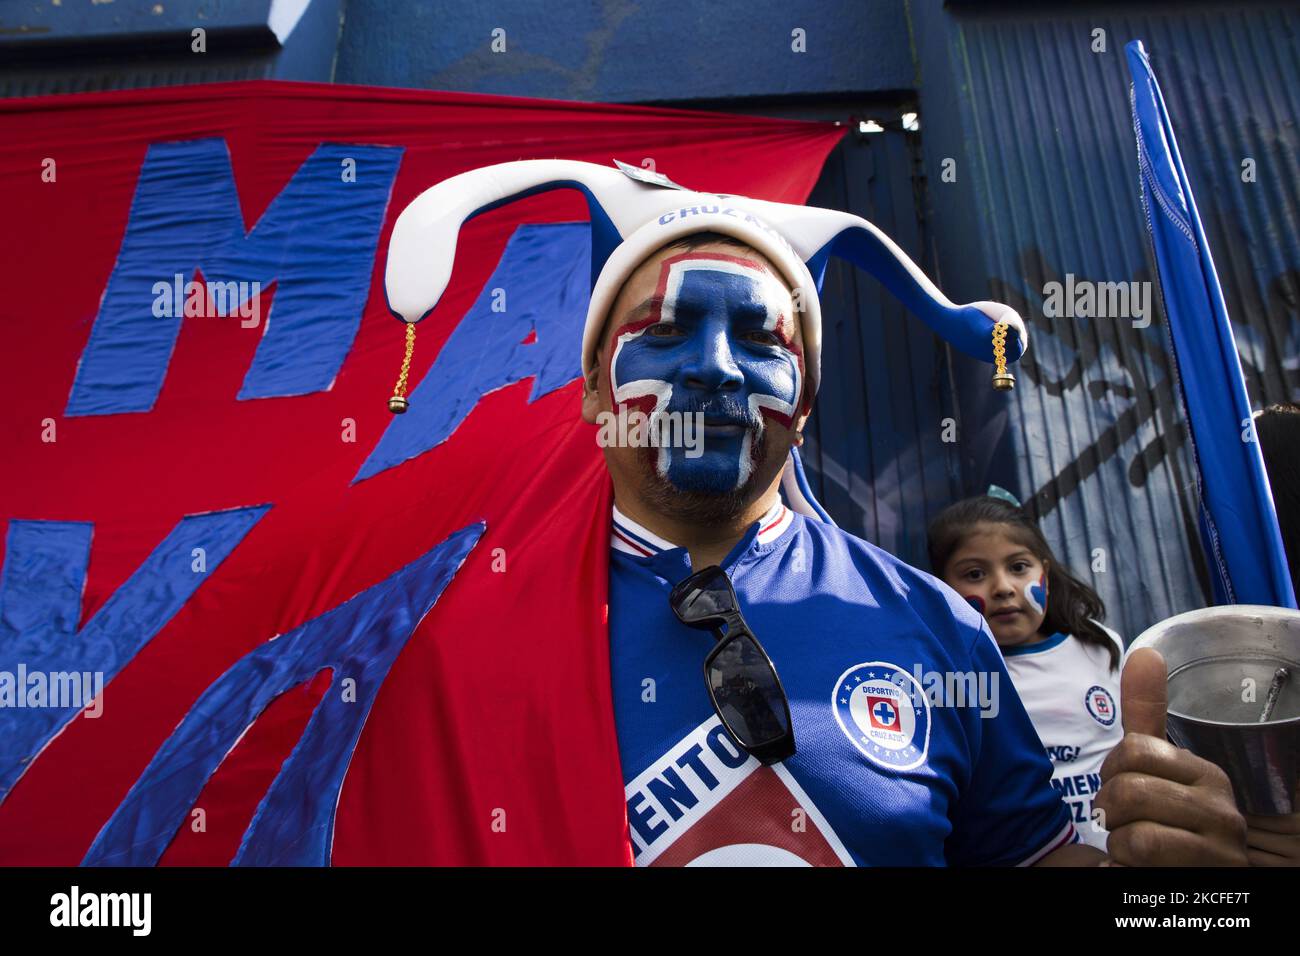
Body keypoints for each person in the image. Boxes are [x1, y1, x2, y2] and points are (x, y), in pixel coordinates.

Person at [387, 158, 1248, 865]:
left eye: (763, 339)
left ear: (804, 405)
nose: (717, 368)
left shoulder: (937, 625)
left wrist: (1184, 897)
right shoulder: (455, 637)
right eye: (666, 329)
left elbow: (1029, 857)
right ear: (587, 390)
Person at [927, 494, 1124, 850]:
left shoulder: (1102, 648)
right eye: (975, 574)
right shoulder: (952, 683)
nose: (1003, 587)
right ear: (942, 589)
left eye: (1018, 567)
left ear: (1044, 573)